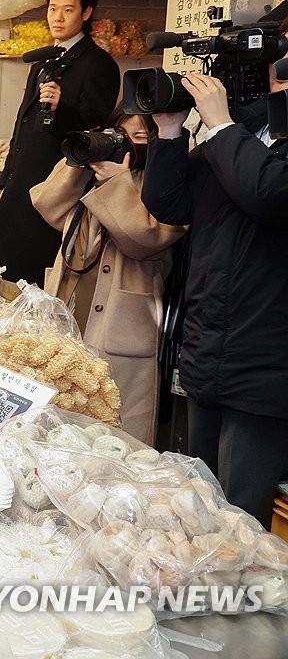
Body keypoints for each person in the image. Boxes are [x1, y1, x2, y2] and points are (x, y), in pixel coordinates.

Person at [143, 72, 288, 528]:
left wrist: (222, 125)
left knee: (241, 520)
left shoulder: (232, 131)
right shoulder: (247, 127)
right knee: (199, 505)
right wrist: (170, 130)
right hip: (207, 347)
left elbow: (270, 194)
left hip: (266, 363)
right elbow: (170, 204)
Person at [30, 105, 186, 445]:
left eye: (140, 136)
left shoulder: (167, 182)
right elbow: (47, 205)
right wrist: (80, 161)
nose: (127, 144)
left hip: (122, 318)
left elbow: (145, 240)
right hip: (72, 302)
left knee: (116, 429)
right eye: (120, 135)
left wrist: (117, 183)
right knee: (59, 413)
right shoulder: (92, 177)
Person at [0, 0, 120, 285]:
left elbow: (96, 131)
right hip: (21, 180)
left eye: (68, 10)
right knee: (0, 273)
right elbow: (22, 123)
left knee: (33, 278)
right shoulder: (43, 61)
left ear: (86, 13)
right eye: (52, 9)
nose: (57, 17)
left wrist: (62, 109)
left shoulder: (98, 64)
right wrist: (7, 177)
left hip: (55, 188)